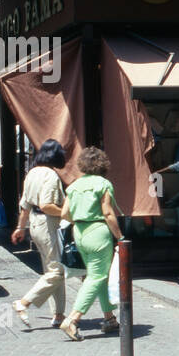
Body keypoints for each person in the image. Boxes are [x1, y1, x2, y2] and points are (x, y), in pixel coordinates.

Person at [58, 146, 124, 341]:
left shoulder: (74, 185)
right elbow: (108, 213)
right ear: (102, 164)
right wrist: (120, 236)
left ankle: (109, 318)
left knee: (98, 275)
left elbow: (64, 214)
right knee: (96, 277)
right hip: (98, 232)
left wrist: (80, 217)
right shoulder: (103, 184)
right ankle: (72, 319)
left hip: (79, 232)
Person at [10, 138, 66, 330]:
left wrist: (20, 228)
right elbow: (46, 205)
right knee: (57, 271)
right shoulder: (51, 176)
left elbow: (25, 205)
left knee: (51, 270)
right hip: (47, 224)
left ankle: (58, 315)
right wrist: (67, 213)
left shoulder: (32, 173)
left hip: (34, 224)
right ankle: (24, 303)